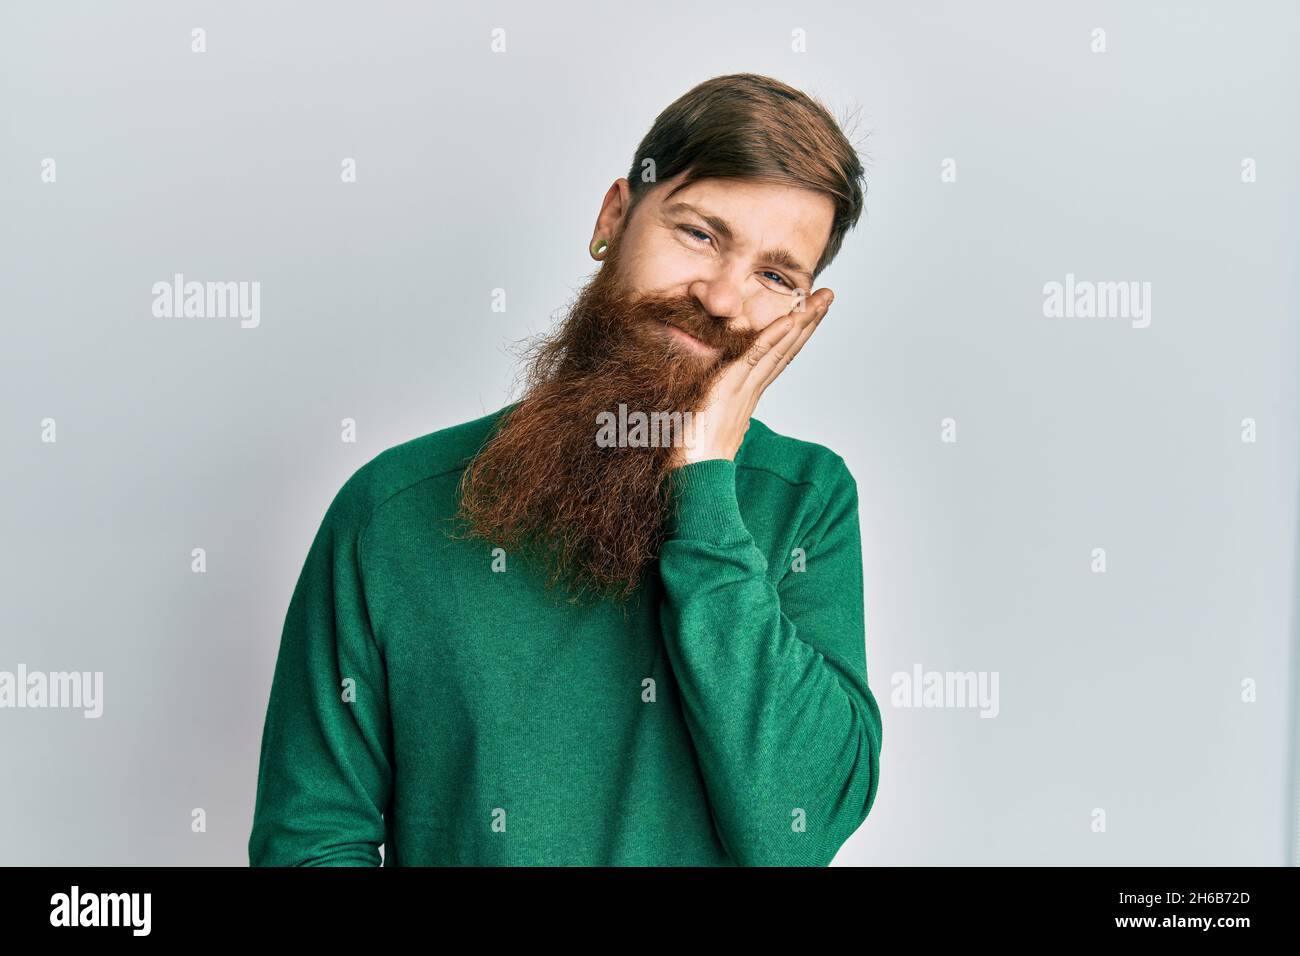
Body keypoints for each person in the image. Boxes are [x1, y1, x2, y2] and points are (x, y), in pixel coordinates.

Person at [248, 72, 882, 866]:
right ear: (614, 217)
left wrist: (706, 491)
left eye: (775, 275)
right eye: (700, 234)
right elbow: (310, 841)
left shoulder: (806, 503)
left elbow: (797, 829)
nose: (723, 299)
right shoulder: (392, 511)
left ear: (800, 310)